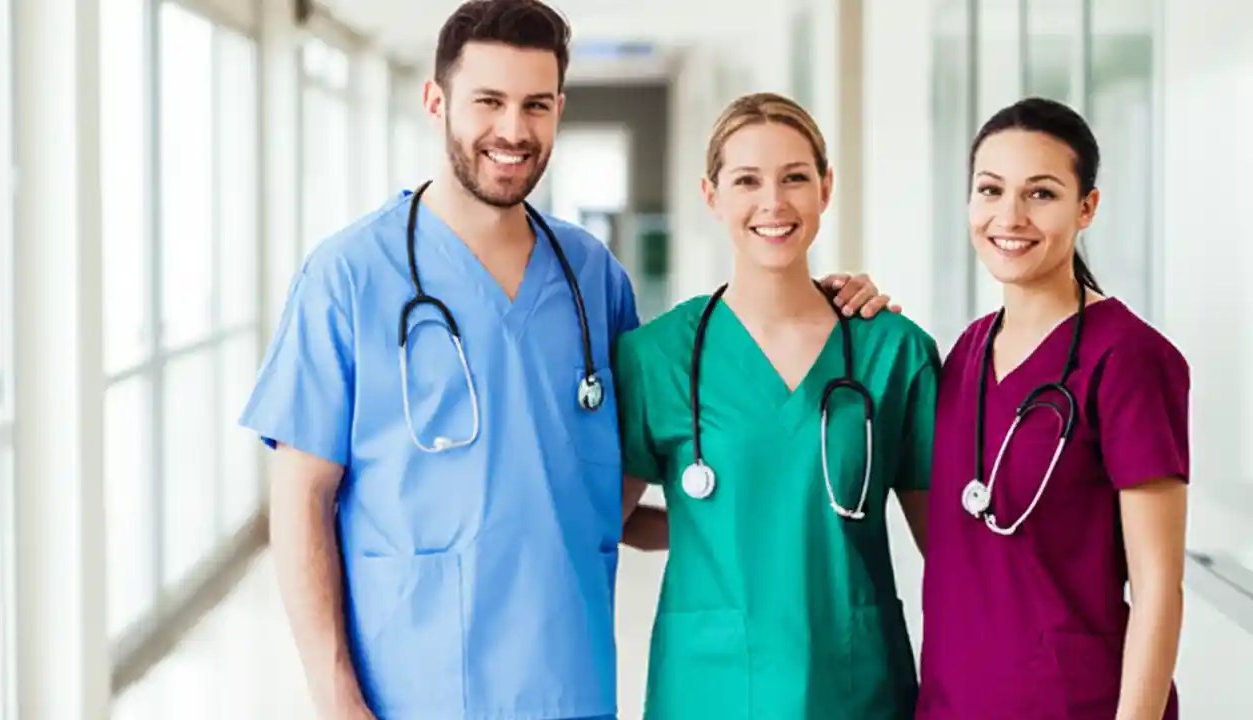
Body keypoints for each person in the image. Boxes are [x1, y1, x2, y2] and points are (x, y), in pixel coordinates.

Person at [238, 2, 893, 718]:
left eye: (536, 105)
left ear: (558, 109)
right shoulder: (349, 276)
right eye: (488, 101)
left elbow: (621, 486)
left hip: (567, 676)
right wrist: (334, 694)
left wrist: (777, 502)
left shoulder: (591, 277)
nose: (514, 130)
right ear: (435, 101)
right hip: (411, 683)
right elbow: (300, 498)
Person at [615, 92, 937, 719]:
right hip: (710, 690)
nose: (773, 202)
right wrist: (725, 524)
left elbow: (950, 555)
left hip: (853, 687)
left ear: (825, 187)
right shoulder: (658, 357)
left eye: (794, 178)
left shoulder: (894, 352)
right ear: (711, 195)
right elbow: (605, 520)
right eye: (747, 180)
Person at [917, 97, 1189, 720]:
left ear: (1086, 207)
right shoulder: (967, 352)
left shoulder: (1129, 359)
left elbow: (1157, 588)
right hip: (953, 700)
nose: (1009, 216)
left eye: (1040, 194)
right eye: (991, 190)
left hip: (1075, 703)